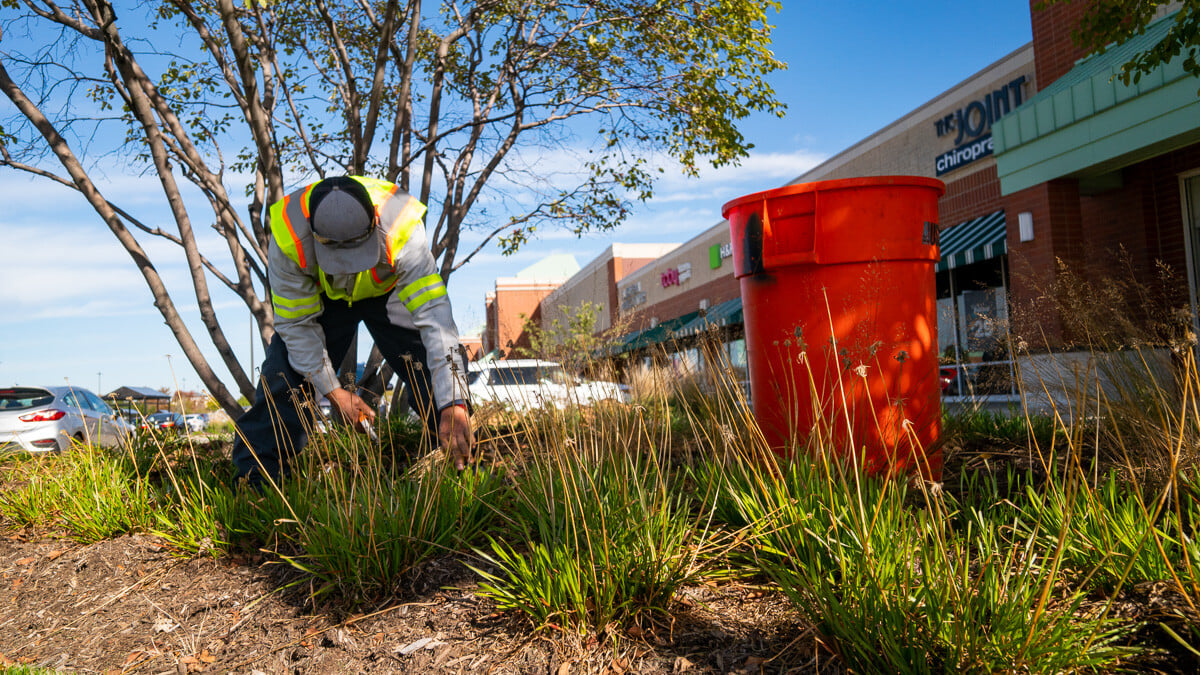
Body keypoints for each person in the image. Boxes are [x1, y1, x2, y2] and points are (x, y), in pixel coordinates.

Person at [231, 175, 473, 487]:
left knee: (427, 361)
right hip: (325, 299)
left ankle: (460, 462)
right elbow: (296, 326)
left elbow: (435, 319)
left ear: (375, 221)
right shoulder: (288, 240)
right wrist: (334, 392)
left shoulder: (402, 227)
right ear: (314, 236)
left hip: (389, 290)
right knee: (285, 373)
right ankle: (257, 480)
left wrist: (454, 401)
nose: (351, 267)